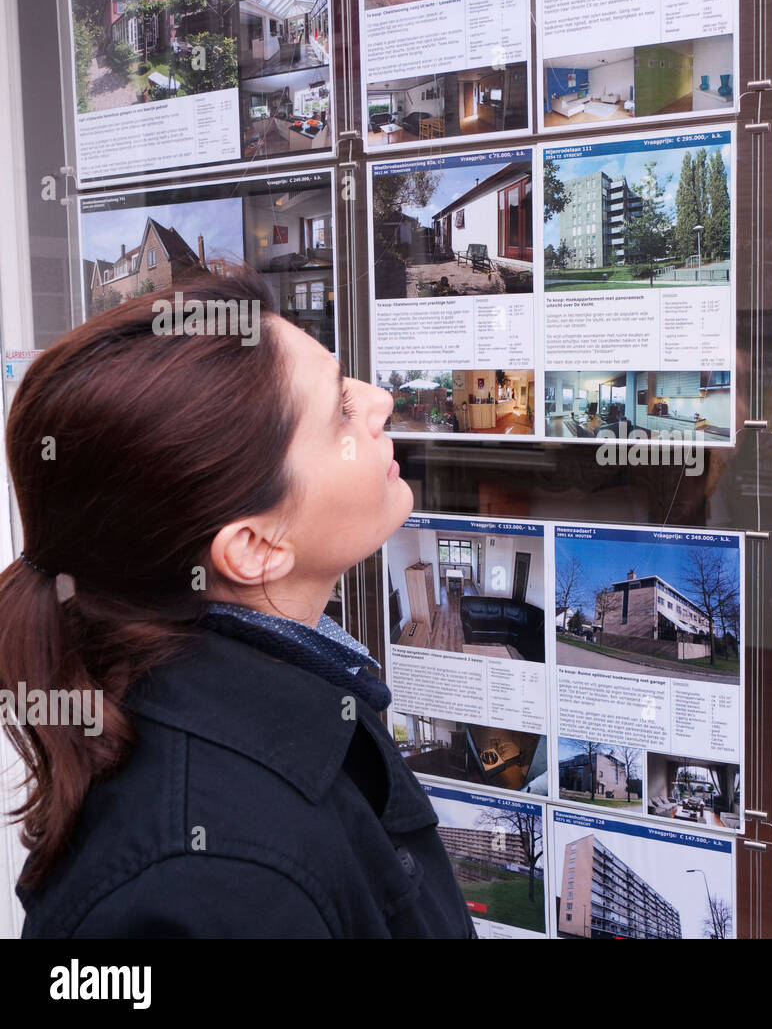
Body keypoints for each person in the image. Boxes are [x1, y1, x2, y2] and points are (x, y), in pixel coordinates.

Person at [0, 271, 474, 938]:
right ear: (254, 547)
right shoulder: (212, 883)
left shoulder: (293, 709)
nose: (380, 400)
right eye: (338, 409)